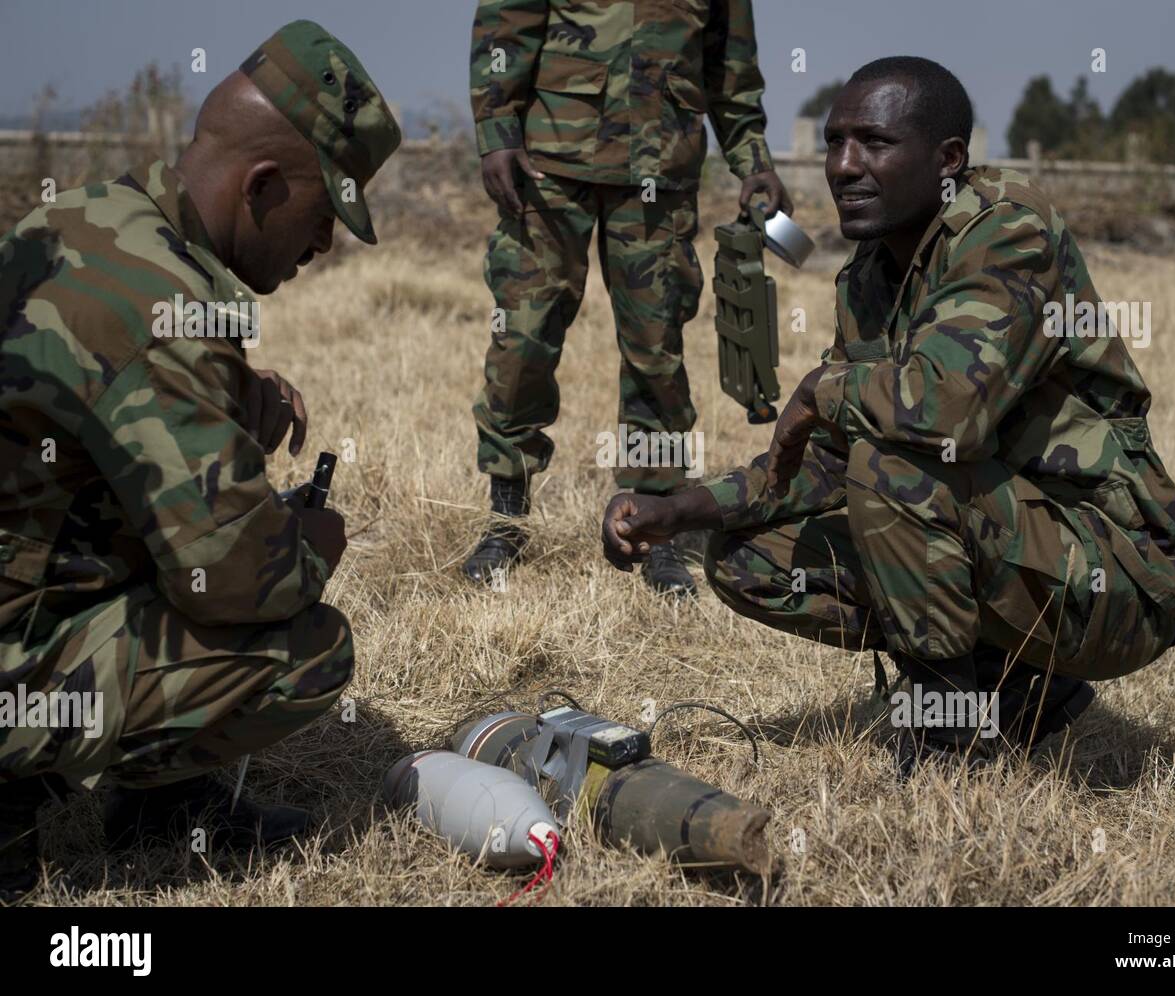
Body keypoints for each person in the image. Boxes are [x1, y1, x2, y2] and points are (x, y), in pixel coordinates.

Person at [602, 58, 1175, 773]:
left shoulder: (1009, 232)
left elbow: (945, 416)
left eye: (874, 144)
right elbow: (826, 459)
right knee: (743, 558)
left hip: (1116, 577)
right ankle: (1014, 688)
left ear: (948, 160)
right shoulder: (868, 275)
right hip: (1009, 543)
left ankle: (950, 736)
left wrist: (823, 389)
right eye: (833, 142)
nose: (844, 166)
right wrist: (682, 509)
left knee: (893, 465)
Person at [0, 20, 401, 902]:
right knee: (304, 649)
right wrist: (312, 539)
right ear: (263, 186)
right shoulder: (162, 310)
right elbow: (239, 582)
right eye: (323, 213)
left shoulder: (92, 216)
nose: (323, 244)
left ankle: (150, 806)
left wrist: (224, 401)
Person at [465, 0, 792, 597]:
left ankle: (656, 522)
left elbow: (729, 66)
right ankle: (504, 521)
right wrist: (495, 133)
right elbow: (505, 26)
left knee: (656, 349)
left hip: (660, 169)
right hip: (548, 165)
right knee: (524, 337)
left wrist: (753, 160)